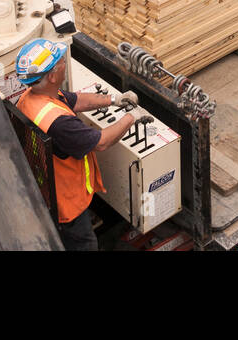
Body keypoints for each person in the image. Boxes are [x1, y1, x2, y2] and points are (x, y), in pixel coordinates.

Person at [14, 38, 143, 250]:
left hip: (46, 189)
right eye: (61, 62)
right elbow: (101, 142)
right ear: (53, 75)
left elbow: (75, 100)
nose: (65, 63)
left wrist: (114, 99)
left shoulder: (32, 97)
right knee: (84, 244)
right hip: (67, 205)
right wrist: (132, 118)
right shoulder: (60, 124)